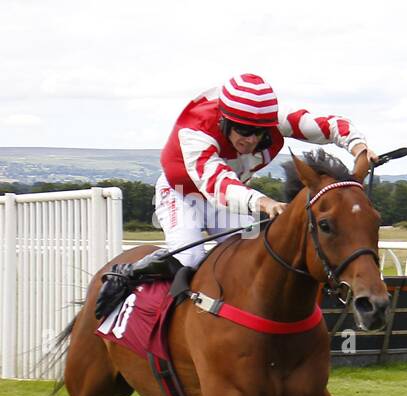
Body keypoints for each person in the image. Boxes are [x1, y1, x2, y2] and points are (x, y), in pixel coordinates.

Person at [95, 73, 377, 319]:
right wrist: (264, 203)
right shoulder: (195, 130)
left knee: (244, 260)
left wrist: (359, 146)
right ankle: (132, 281)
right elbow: (219, 183)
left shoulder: (272, 120)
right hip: (183, 195)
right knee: (190, 257)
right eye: (243, 130)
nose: (251, 139)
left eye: (259, 132)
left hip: (230, 198)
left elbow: (324, 125)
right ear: (225, 121)